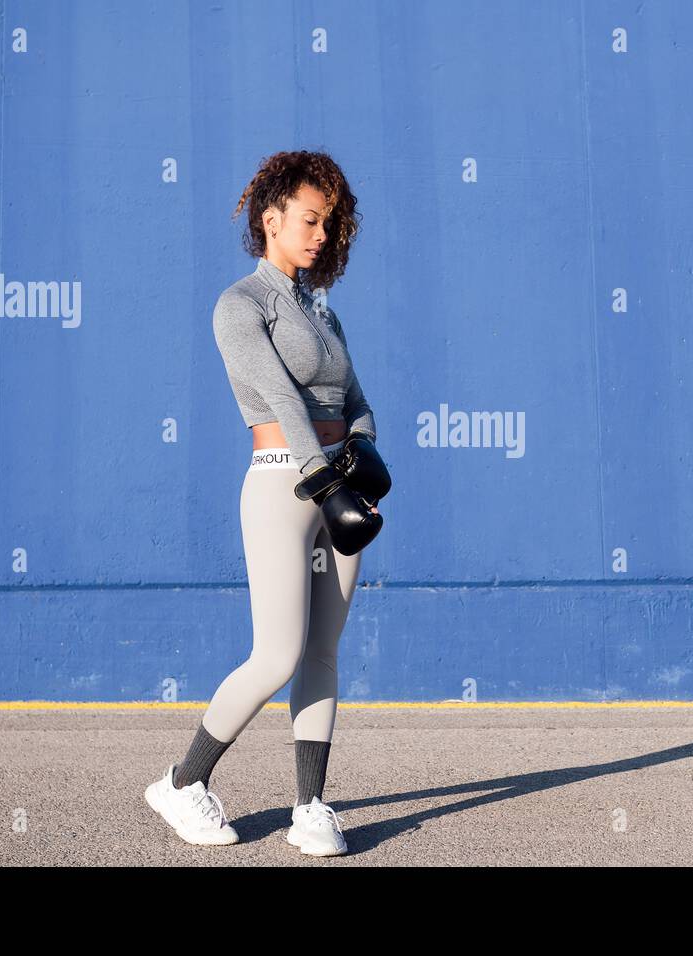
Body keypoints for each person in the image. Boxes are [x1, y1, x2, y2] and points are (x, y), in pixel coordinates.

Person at [145, 150, 389, 857]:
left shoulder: (325, 315)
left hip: (336, 482)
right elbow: (282, 399)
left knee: (322, 652)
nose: (320, 234)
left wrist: (365, 463)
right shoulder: (239, 304)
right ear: (270, 217)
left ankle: (310, 807)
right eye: (310, 220)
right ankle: (182, 781)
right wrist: (324, 480)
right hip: (285, 480)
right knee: (277, 652)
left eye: (330, 224)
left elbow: (357, 400)